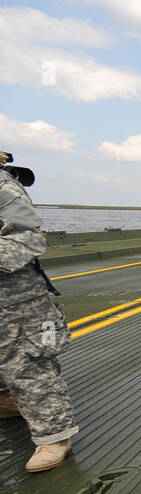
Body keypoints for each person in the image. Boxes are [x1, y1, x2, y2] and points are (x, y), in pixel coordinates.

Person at [0, 152, 78, 471]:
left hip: (13, 294)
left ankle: (54, 435)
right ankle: (9, 402)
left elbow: (27, 237)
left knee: (26, 360)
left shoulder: (4, 186)